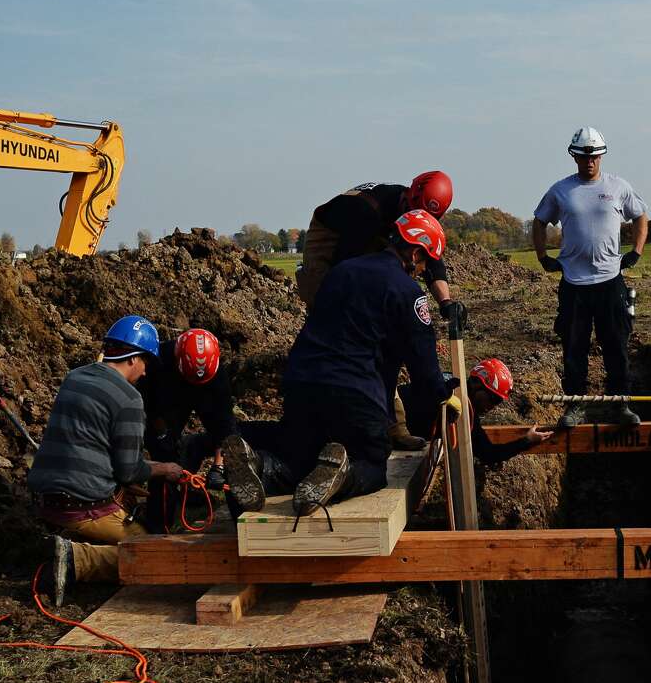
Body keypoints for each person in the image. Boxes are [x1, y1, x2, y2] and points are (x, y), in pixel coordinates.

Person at [222, 210, 457, 516]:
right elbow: (425, 376)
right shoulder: (407, 292)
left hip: (300, 382)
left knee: (301, 458)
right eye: (425, 264)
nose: (422, 271)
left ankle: (261, 467)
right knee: (373, 464)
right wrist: (447, 391)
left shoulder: (343, 270)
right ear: (414, 253)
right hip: (354, 391)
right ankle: (343, 475)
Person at [27, 316, 184, 606]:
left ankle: (65, 540)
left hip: (44, 499)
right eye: (146, 363)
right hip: (81, 506)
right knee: (154, 553)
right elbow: (128, 469)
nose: (146, 372)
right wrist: (165, 470)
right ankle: (79, 559)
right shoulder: (129, 398)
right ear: (134, 358)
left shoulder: (74, 377)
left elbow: (90, 445)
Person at [297, 170, 459, 450]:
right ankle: (336, 423)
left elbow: (430, 256)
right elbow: (348, 272)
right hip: (333, 245)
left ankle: (391, 425)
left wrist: (447, 303)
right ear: (410, 195)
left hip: (375, 247)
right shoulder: (367, 210)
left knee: (387, 341)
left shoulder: (409, 229)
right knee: (347, 331)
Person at [532, 127, 648, 428]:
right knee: (574, 346)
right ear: (574, 156)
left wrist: (636, 250)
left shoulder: (619, 187)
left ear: (601, 156)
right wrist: (543, 257)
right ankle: (575, 406)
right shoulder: (561, 191)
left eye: (594, 156)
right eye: (584, 156)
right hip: (574, 285)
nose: (589, 162)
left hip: (610, 282)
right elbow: (540, 220)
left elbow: (640, 215)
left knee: (616, 344)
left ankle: (620, 404)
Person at [138, 328, 237, 529]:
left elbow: (225, 425)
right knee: (165, 455)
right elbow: (147, 404)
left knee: (235, 452)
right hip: (168, 398)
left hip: (206, 391)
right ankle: (160, 524)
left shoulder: (216, 374)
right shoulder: (159, 361)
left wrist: (218, 467)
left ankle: (232, 515)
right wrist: (161, 433)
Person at [400, 358, 554, 465]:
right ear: (476, 384)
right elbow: (488, 454)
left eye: (498, 402)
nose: (492, 406)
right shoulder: (462, 409)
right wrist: (526, 441)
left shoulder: (451, 386)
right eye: (492, 399)